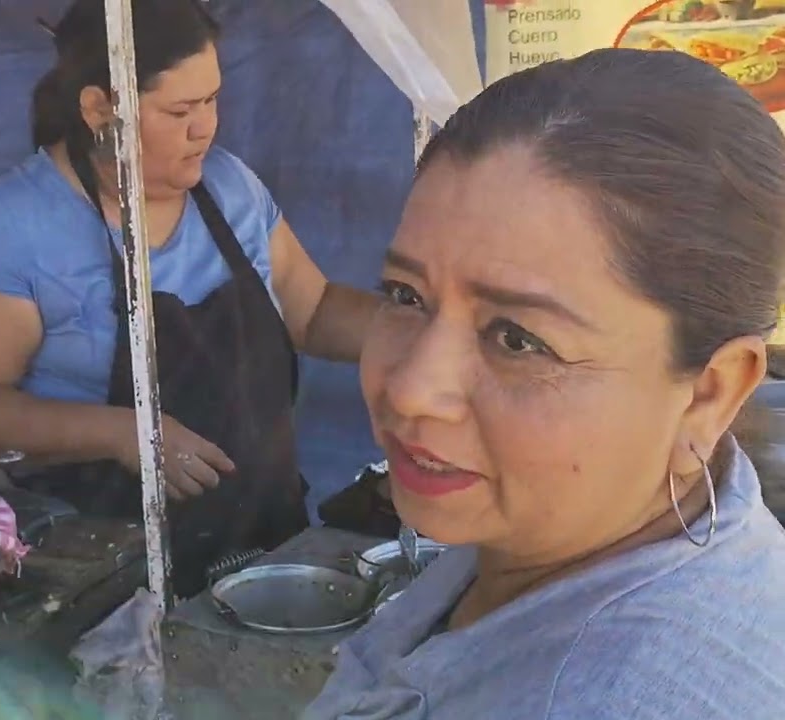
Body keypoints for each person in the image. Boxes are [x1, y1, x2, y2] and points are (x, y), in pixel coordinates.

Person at [305, 49, 785, 720]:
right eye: (404, 295)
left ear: (709, 392)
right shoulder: (560, 538)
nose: (412, 389)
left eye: (518, 339)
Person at [0, 0, 379, 595]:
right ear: (98, 109)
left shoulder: (231, 187)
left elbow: (311, 311)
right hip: (99, 572)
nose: (204, 127)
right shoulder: (10, 224)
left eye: (212, 100)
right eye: (180, 109)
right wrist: (121, 432)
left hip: (262, 543)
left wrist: (424, 333)